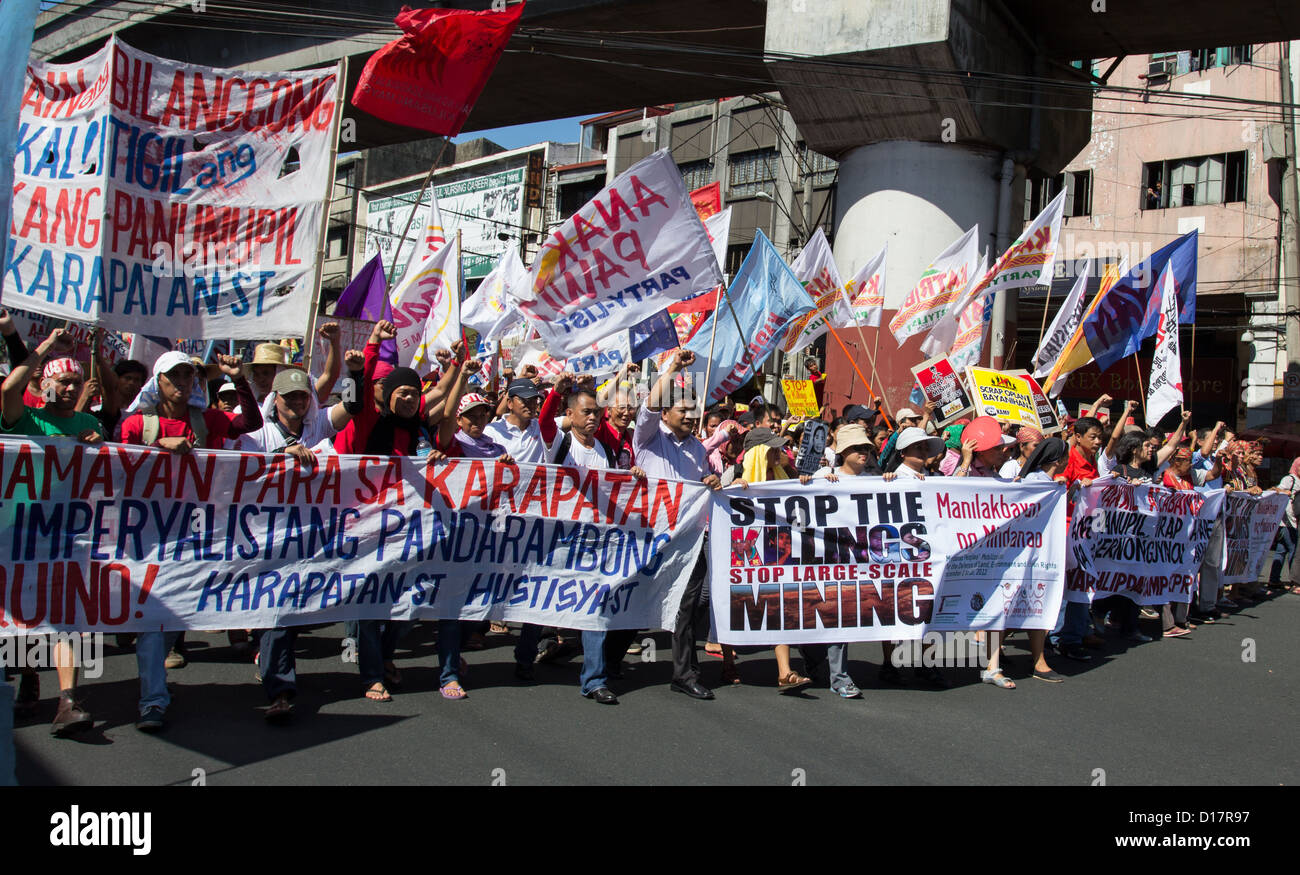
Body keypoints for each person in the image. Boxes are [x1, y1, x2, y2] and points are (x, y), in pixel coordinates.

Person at [236, 357, 366, 721]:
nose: (297, 403)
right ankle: (280, 691)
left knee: (294, 613)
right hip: (269, 538)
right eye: (289, 397)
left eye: (303, 397)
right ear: (275, 398)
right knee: (278, 610)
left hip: (313, 539)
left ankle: (269, 654)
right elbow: (243, 474)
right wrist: (281, 456)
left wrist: (354, 373)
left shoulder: (319, 427)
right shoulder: (258, 435)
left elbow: (352, 406)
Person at [1, 327, 103, 736]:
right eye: (63, 381)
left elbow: (110, 473)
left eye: (76, 383)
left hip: (66, 533)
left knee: (65, 615)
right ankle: (28, 675)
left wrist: (99, 443)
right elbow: (9, 388)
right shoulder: (25, 419)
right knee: (21, 613)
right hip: (17, 531)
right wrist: (43, 348)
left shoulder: (87, 421)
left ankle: (68, 700)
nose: (70, 388)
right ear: (45, 385)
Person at [635, 349, 724, 700]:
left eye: (693, 410)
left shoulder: (697, 449)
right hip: (651, 537)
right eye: (682, 410)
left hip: (688, 539)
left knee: (689, 605)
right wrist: (673, 368)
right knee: (635, 598)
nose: (690, 415)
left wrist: (712, 481)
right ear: (665, 414)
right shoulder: (648, 438)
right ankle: (608, 661)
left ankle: (684, 673)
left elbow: (704, 483)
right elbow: (651, 404)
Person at [723, 426, 815, 692]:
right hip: (742, 550)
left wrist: (811, 484)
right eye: (773, 448)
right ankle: (728, 662)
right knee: (735, 602)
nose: (780, 452)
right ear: (758, 453)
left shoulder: (787, 474)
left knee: (779, 600)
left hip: (776, 548)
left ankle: (785, 672)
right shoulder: (735, 474)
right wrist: (732, 488)